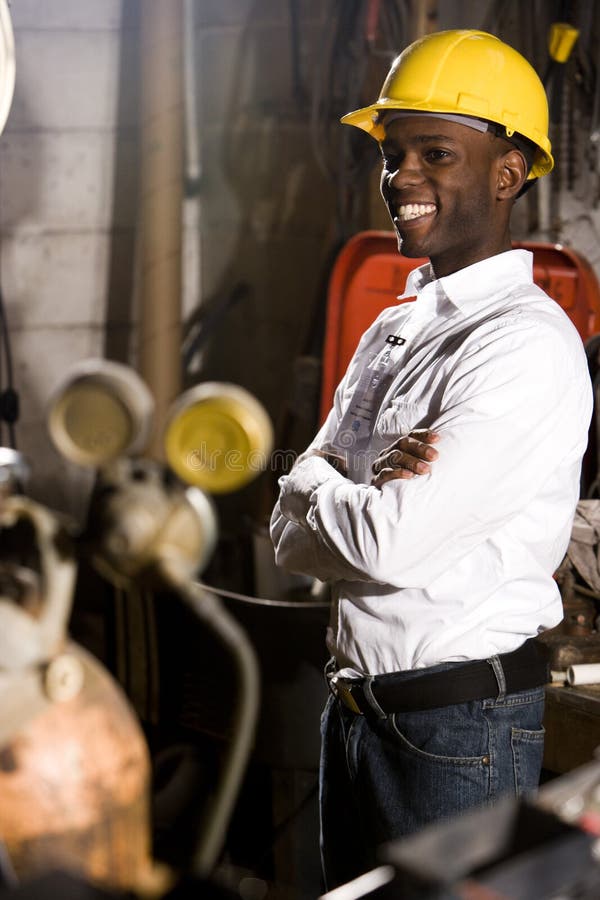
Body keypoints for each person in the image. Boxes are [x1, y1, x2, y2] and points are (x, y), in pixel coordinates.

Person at [270, 29, 593, 890]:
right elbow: (284, 539)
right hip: (356, 717)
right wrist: (336, 489)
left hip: (461, 732)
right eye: (393, 152)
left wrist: (314, 479)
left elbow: (381, 544)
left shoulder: (522, 347)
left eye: (435, 154)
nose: (400, 177)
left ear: (508, 171)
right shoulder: (394, 327)